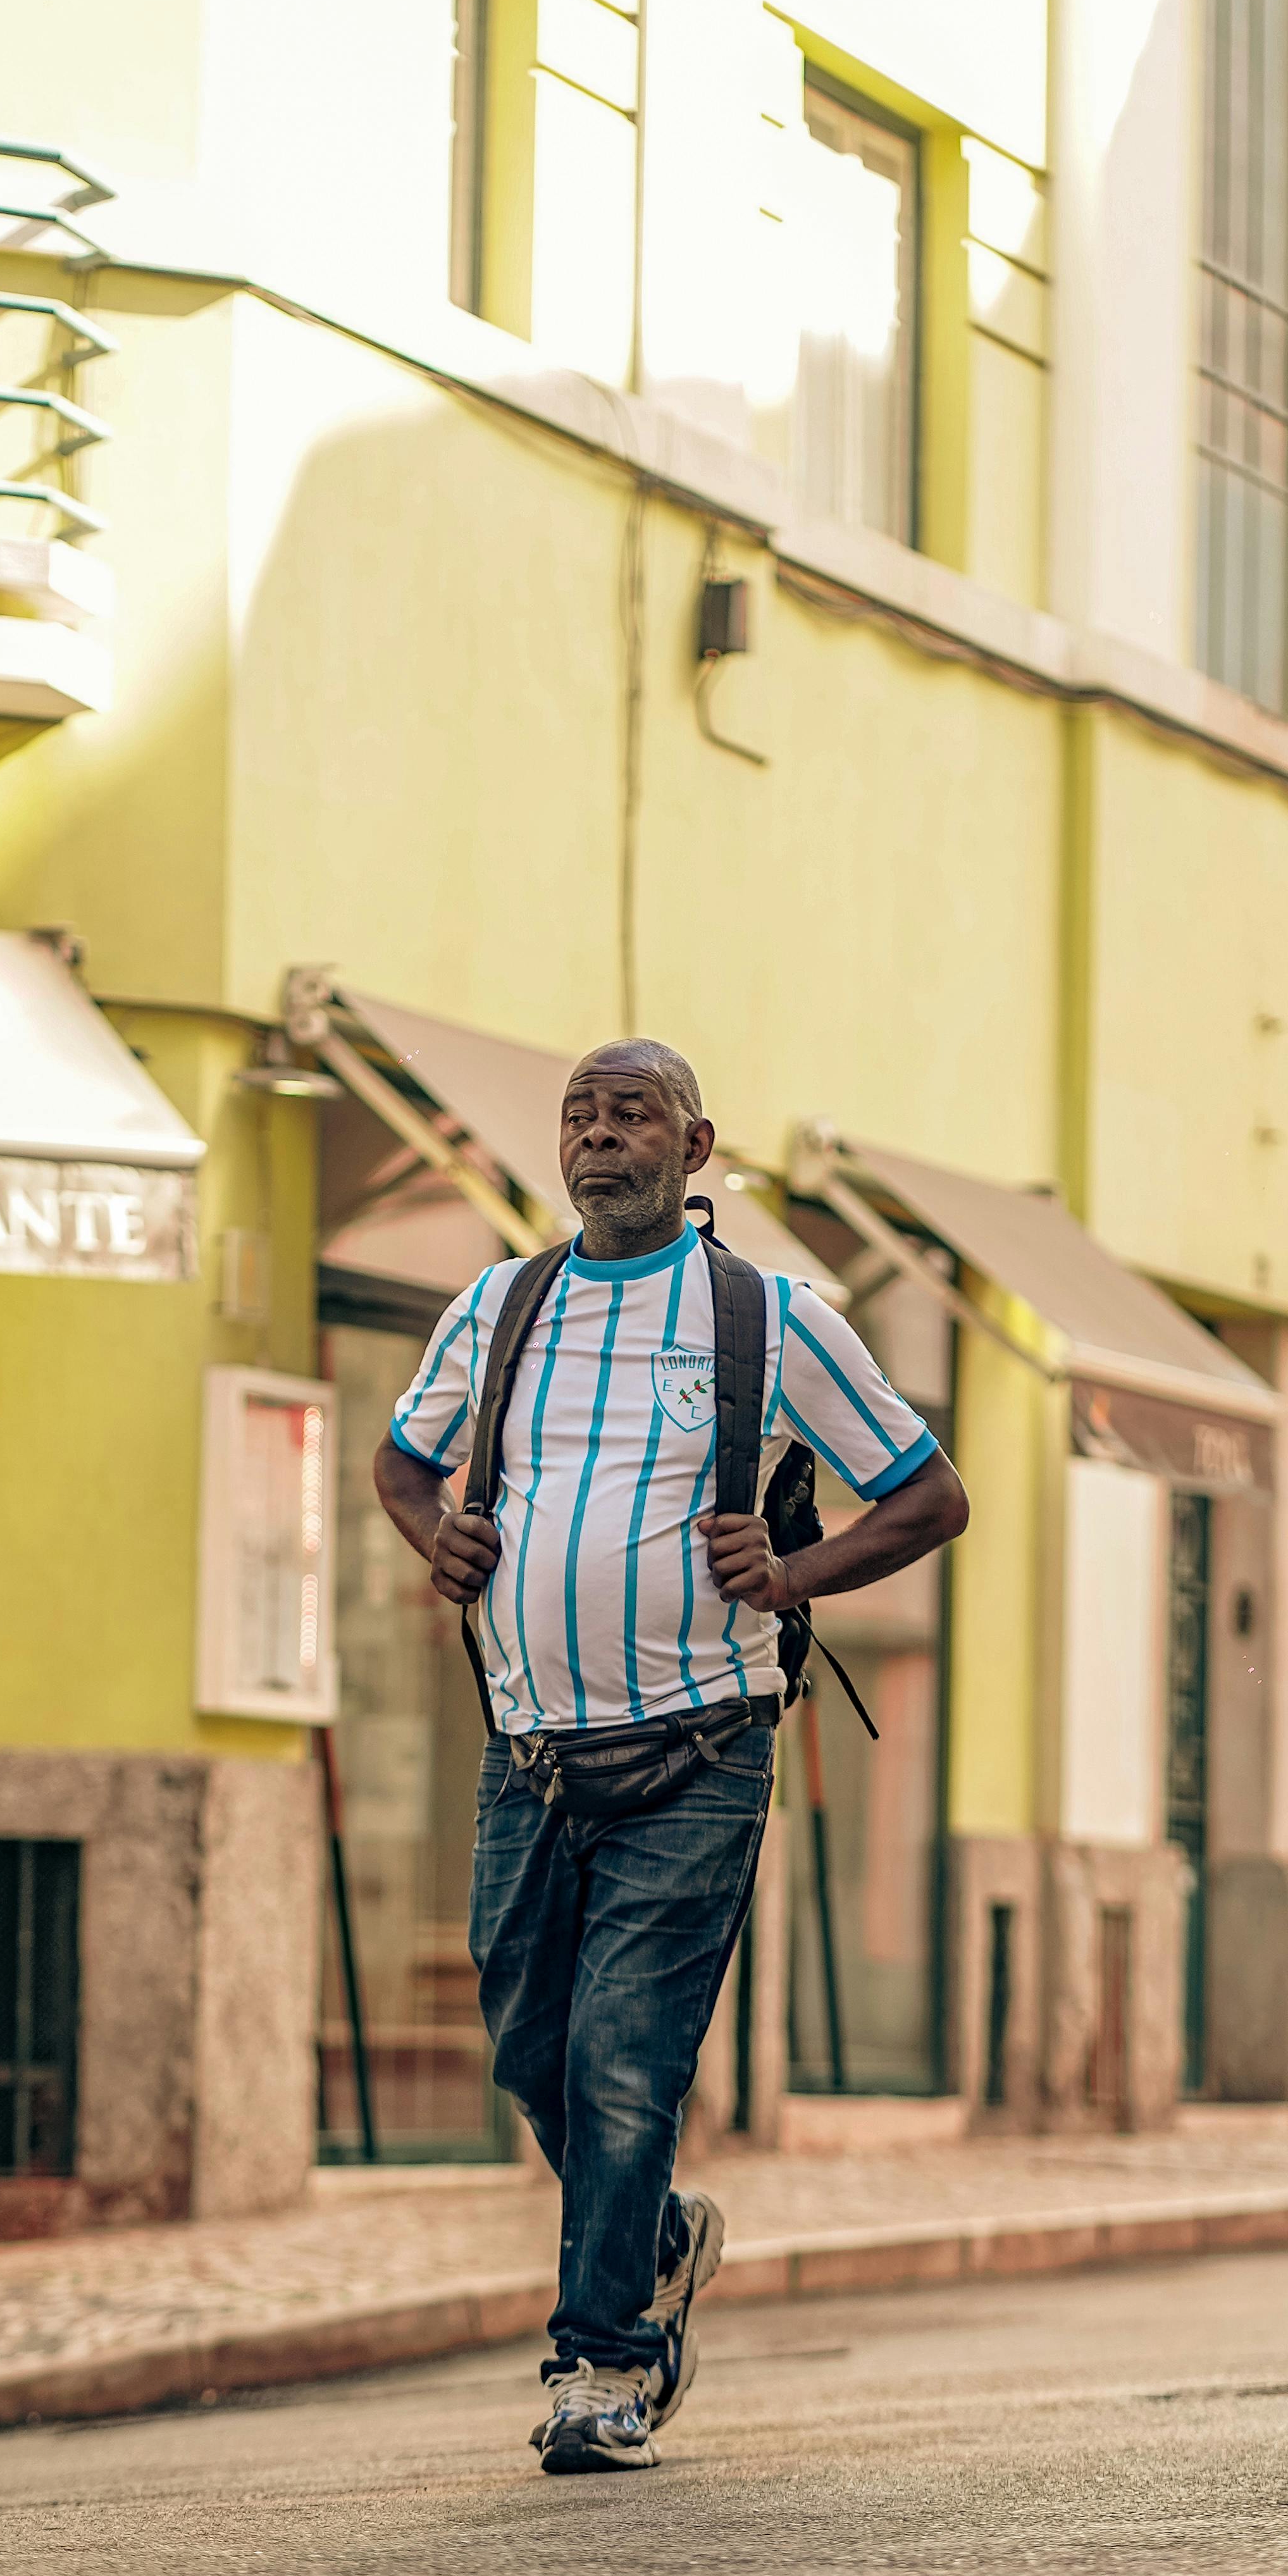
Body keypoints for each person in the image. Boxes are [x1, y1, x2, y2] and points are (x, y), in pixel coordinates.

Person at [373, 1041, 968, 2472]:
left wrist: (795, 1571)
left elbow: (929, 1495)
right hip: (527, 1753)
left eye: (630, 1115)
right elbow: (403, 1460)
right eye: (579, 1116)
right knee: (530, 2046)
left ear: (693, 1149)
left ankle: (603, 2366)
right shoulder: (500, 1305)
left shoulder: (772, 1319)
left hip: (700, 1749)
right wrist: (434, 1536)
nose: (599, 1137)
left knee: (622, 2058)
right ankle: (654, 2240)